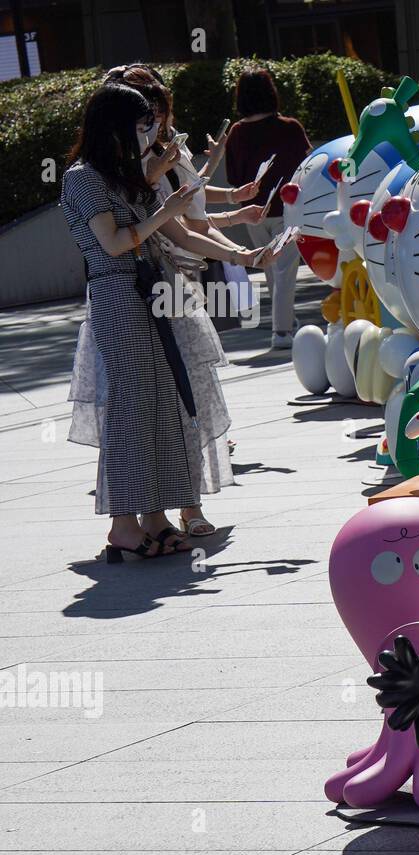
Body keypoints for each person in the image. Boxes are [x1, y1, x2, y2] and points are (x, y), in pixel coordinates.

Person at [61, 84, 269, 561]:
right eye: (140, 127)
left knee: (165, 404)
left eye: (150, 126)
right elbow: (115, 244)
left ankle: (153, 518)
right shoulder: (82, 178)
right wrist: (165, 209)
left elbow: (180, 231)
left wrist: (246, 254)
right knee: (133, 409)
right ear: (112, 127)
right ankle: (123, 527)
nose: (148, 136)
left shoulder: (126, 175)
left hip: (154, 291)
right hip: (118, 296)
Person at [223, 67, 313, 349]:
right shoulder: (290, 128)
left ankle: (285, 321)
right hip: (288, 210)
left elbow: (234, 179)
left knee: (272, 270)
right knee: (285, 270)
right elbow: (307, 167)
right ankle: (282, 330)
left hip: (253, 214)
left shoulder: (236, 133)